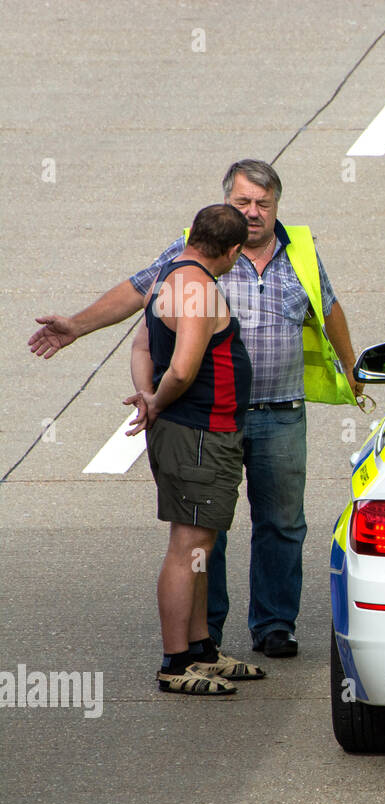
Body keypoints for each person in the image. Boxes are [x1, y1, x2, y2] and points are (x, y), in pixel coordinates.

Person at [31, 159, 363, 659]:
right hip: (213, 417)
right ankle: (203, 632)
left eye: (262, 204)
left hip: (279, 413)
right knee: (209, 531)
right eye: (242, 202)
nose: (252, 213)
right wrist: (76, 326)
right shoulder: (199, 250)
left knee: (282, 523)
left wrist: (352, 367)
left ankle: (275, 625)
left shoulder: (303, 254)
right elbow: (136, 291)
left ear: (277, 207)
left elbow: (329, 307)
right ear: (225, 204)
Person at [123, 204, 262, 694]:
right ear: (230, 250)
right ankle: (175, 662)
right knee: (189, 548)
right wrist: (157, 401)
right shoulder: (200, 289)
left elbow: (142, 347)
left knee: (201, 544)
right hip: (201, 434)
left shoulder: (167, 277)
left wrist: (146, 395)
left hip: (190, 434)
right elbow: (182, 369)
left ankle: (202, 648)